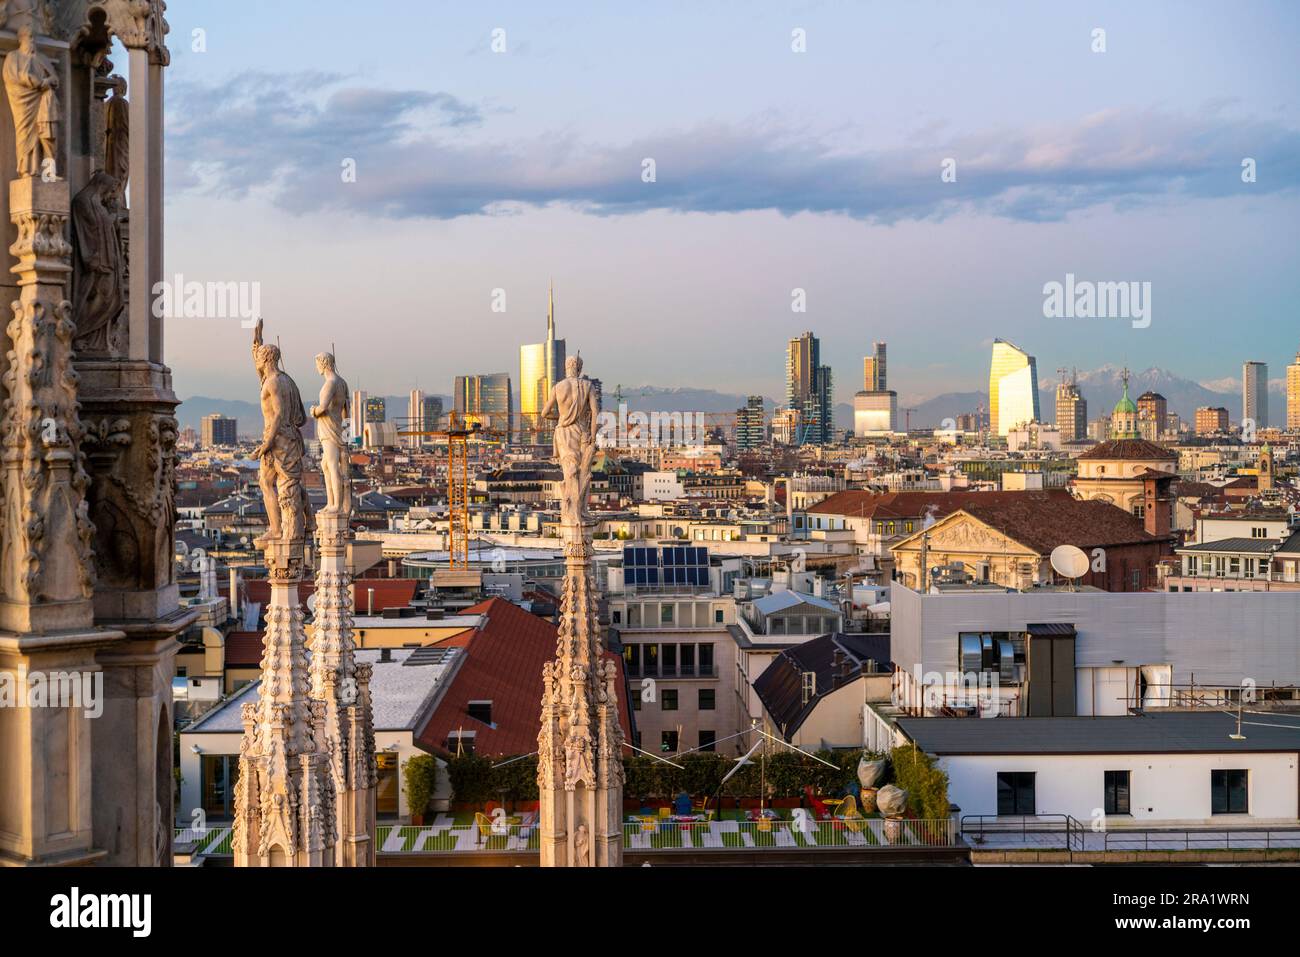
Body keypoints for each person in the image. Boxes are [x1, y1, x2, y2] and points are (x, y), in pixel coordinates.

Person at [251, 319, 311, 544]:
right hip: (291, 438)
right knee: (290, 481)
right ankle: (310, 520)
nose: (255, 360)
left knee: (269, 483)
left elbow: (277, 414)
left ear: (266, 359)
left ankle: (277, 529)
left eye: (258, 357)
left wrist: (267, 442)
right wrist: (257, 339)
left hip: (278, 439)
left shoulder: (272, 383)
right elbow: (303, 417)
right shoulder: (288, 381)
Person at [310, 352, 351, 515]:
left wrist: (313, 411)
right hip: (339, 429)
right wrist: (346, 436)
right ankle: (331, 502)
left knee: (332, 466)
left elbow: (323, 407)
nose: (316, 367)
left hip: (329, 429)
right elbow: (347, 412)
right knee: (326, 465)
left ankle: (336, 505)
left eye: (317, 364)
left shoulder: (330, 383)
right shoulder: (342, 383)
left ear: (323, 363)